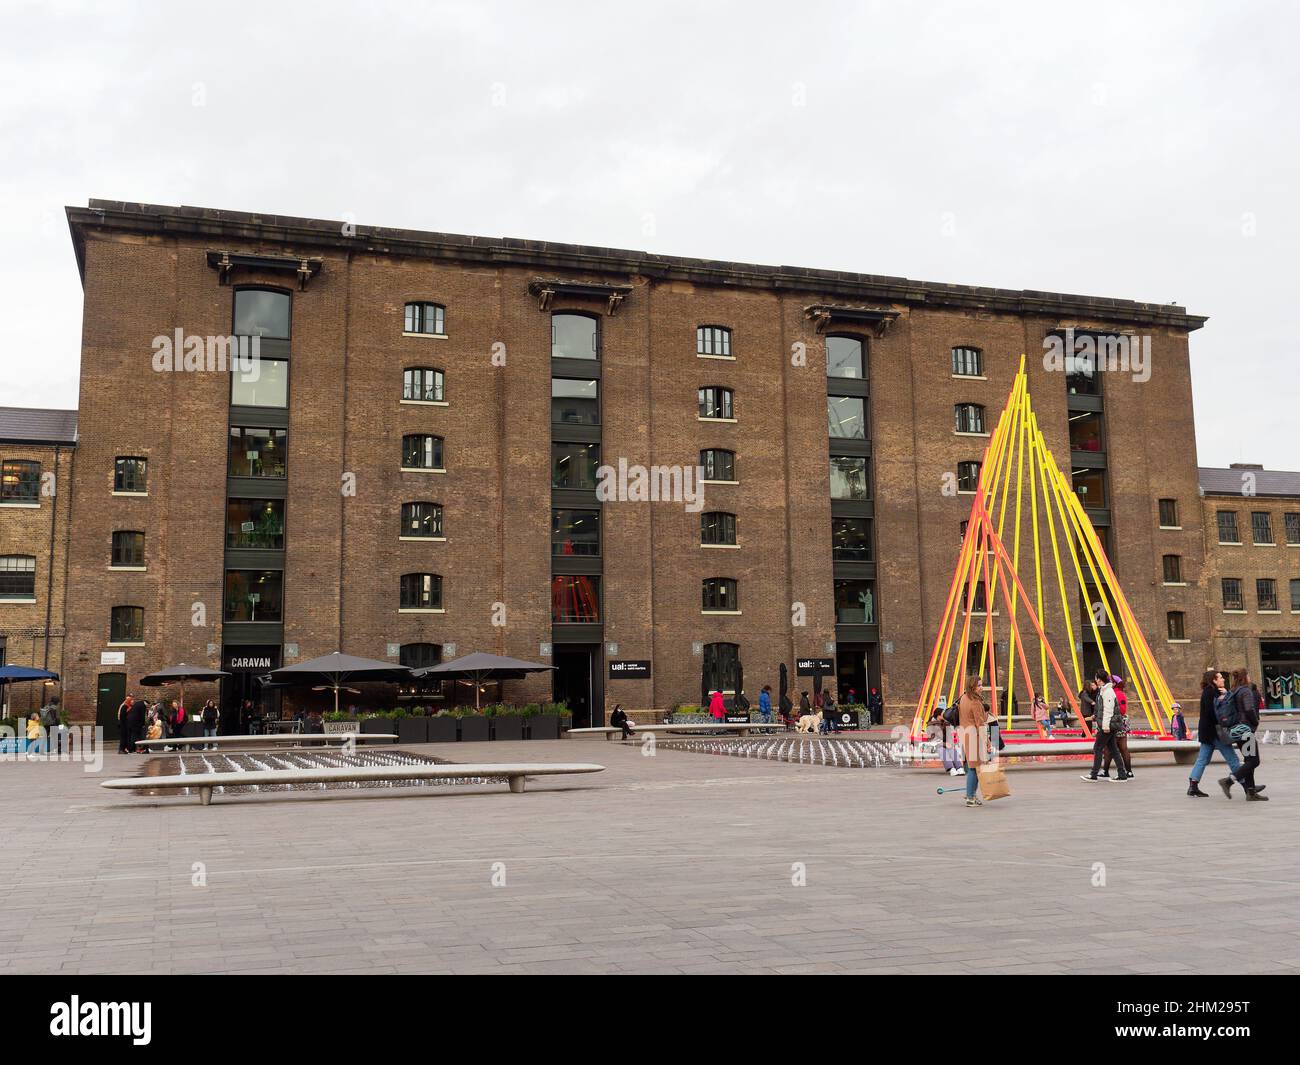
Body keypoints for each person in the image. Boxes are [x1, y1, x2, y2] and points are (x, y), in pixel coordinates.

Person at [1187, 670, 1243, 797]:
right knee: (1232, 758)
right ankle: (1247, 785)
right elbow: (1217, 712)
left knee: (1202, 759)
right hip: (1216, 732)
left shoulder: (1209, 692)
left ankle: (1193, 786)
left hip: (1208, 732)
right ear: (1213, 680)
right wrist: (1227, 696)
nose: (1223, 679)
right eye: (1220, 678)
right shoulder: (1212, 692)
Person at [1221, 668, 1266, 801]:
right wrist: (1255, 722)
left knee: (1249, 760)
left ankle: (1251, 792)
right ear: (1245, 677)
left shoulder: (1233, 691)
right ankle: (1229, 780)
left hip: (1236, 730)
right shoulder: (1245, 691)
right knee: (1254, 761)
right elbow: (1249, 709)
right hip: (1246, 730)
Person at [1082, 669, 1129, 781]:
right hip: (1106, 723)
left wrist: (1106, 726)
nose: (1095, 680)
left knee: (1097, 748)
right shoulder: (1104, 690)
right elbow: (1102, 708)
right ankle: (1122, 774)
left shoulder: (1108, 692)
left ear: (1099, 679)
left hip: (1107, 725)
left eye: (1096, 678)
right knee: (1113, 749)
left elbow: (1108, 710)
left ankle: (1094, 774)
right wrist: (1096, 716)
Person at [958, 675, 992, 807]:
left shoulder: (963, 698)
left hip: (965, 735)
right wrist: (988, 742)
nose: (981, 688)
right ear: (972, 687)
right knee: (974, 768)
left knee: (973, 767)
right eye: (979, 685)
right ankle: (970, 797)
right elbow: (980, 724)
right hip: (975, 737)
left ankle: (971, 794)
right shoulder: (975, 702)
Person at [1102, 676, 1133, 779]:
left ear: (1114, 683)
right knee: (1123, 748)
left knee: (1109, 748)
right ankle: (1129, 771)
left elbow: (1121, 709)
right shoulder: (1120, 693)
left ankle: (1105, 771)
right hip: (1121, 723)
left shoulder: (1115, 694)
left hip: (1114, 723)